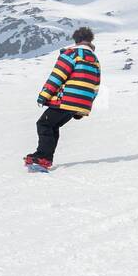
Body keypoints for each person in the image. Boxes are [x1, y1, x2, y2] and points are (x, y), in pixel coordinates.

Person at [24, 26, 100, 171]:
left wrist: (44, 96)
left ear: (76, 40)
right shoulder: (95, 60)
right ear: (90, 41)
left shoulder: (72, 53)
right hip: (80, 103)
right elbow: (96, 85)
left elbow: (58, 76)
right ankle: (45, 157)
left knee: (44, 124)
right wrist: (83, 108)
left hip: (66, 100)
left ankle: (42, 158)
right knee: (52, 125)